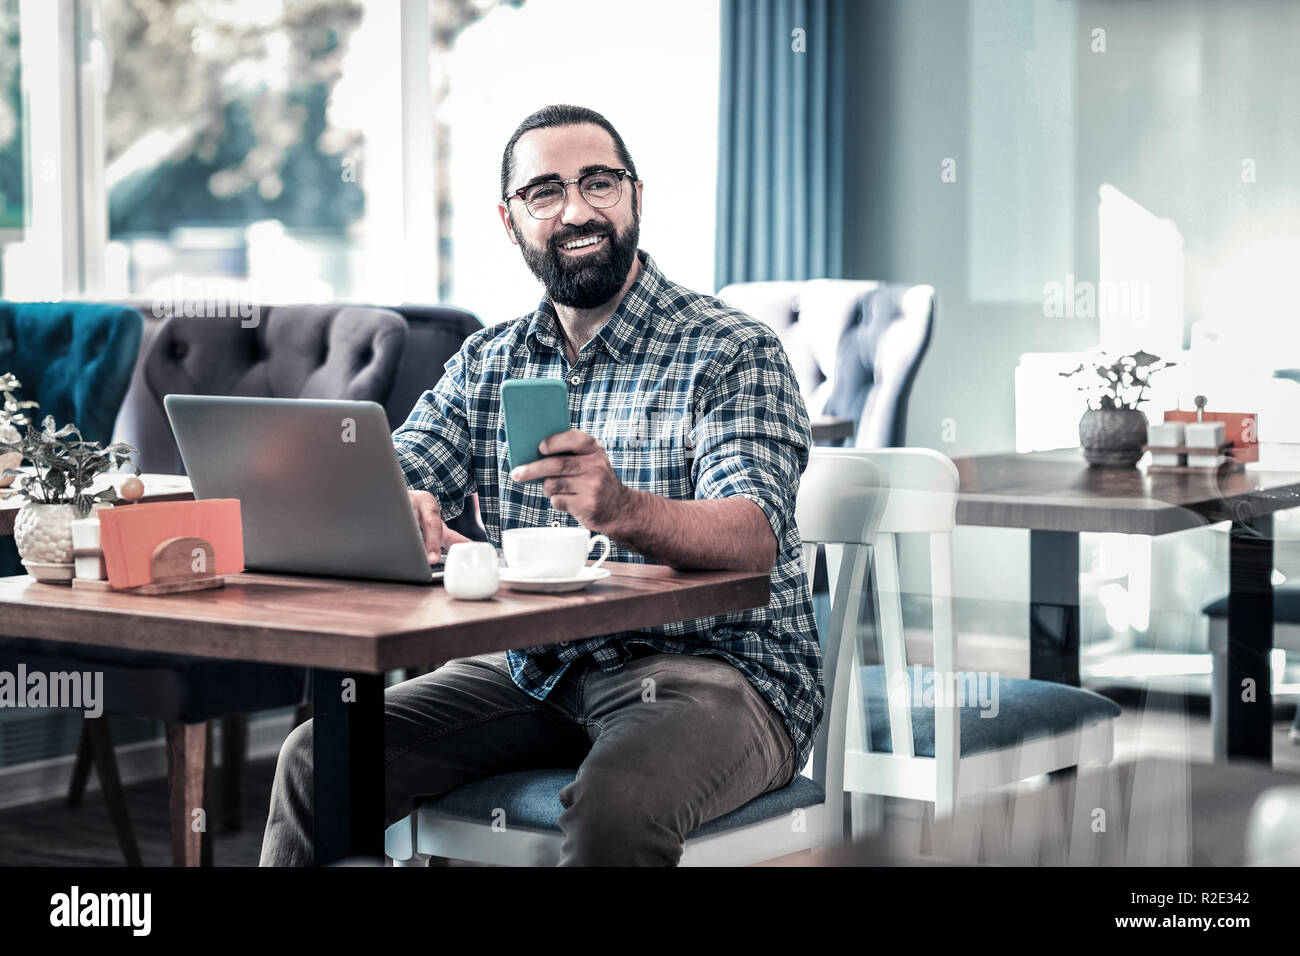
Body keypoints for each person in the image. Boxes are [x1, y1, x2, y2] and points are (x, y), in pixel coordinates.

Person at [260, 104, 818, 866]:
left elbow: (753, 539)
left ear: (637, 196)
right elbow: (396, 471)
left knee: (614, 806)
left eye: (599, 183)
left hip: (718, 674)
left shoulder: (729, 350)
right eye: (545, 192)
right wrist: (397, 508)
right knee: (317, 760)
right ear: (510, 218)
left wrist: (620, 508)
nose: (577, 210)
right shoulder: (489, 360)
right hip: (538, 667)